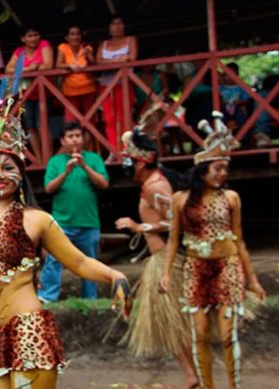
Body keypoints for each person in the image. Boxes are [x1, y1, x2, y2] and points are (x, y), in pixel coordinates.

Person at [0, 61, 130, 388]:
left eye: (8, 167)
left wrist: (114, 274)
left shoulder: (36, 220)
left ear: (20, 174)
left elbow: (78, 261)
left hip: (31, 331)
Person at [160, 112, 266, 389]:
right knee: (200, 333)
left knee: (228, 335)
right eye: (217, 169)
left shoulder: (231, 198)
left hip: (228, 266)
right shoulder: (180, 200)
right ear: (202, 170)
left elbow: (240, 240)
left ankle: (235, 386)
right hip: (196, 268)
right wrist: (167, 274)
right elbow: (173, 240)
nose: (222, 174)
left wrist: (252, 280)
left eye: (225, 169)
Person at [114, 110, 198, 389]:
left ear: (142, 162)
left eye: (131, 160)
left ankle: (193, 375)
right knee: (170, 322)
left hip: (166, 261)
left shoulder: (156, 185)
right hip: (158, 259)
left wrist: (139, 228)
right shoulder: (152, 183)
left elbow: (176, 223)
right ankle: (192, 374)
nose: (128, 164)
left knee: (173, 322)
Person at [40, 122, 109, 302]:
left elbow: (103, 183)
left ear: (83, 138)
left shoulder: (94, 159)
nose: (75, 140)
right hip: (62, 222)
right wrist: (66, 171)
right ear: (63, 140)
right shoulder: (55, 162)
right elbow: (48, 188)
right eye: (70, 136)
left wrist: (85, 166)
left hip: (89, 222)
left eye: (78, 136)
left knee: (90, 260)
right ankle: (48, 296)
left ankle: (90, 299)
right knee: (54, 260)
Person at [5, 27, 53, 162]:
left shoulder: (44, 45)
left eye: (35, 35)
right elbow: (9, 69)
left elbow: (48, 65)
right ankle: (38, 159)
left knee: (43, 126)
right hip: (26, 95)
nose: (33, 38)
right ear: (23, 39)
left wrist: (21, 70)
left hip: (43, 93)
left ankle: (48, 158)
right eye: (29, 36)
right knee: (30, 127)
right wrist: (29, 69)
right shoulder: (19, 52)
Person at [96, 15, 138, 157]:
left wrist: (110, 61)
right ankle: (114, 151)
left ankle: (128, 149)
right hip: (106, 85)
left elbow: (131, 57)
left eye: (120, 23)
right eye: (113, 24)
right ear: (109, 28)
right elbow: (98, 61)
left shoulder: (130, 40)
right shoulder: (104, 44)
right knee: (109, 118)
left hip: (124, 84)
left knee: (125, 117)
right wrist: (118, 60)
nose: (117, 26)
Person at [56, 25, 97, 126]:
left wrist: (88, 55)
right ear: (67, 37)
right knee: (70, 122)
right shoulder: (63, 48)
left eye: (78, 34)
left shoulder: (87, 48)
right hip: (71, 91)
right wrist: (69, 65)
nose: (75, 37)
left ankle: (88, 142)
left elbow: (94, 64)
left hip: (88, 89)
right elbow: (58, 65)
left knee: (90, 122)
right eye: (72, 34)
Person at [219, 63, 263, 147]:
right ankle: (222, 141)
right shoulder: (220, 88)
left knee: (241, 120)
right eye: (225, 75)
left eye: (231, 74)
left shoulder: (242, 87)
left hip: (238, 109)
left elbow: (247, 99)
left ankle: (243, 140)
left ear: (237, 75)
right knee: (220, 121)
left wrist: (241, 102)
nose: (228, 77)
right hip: (224, 111)